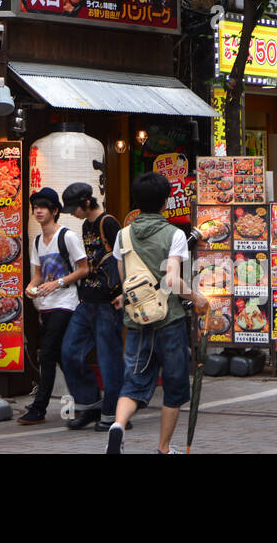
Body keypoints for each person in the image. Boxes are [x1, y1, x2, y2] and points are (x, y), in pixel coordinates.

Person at [105, 173, 206, 454]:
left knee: (134, 382)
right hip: (169, 321)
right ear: (165, 201)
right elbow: (171, 281)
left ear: (136, 202)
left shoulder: (122, 235)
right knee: (174, 386)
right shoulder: (173, 234)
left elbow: (126, 280)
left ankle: (117, 426)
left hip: (136, 321)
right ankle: (163, 448)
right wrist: (197, 297)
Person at [58, 181, 125, 431]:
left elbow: (122, 257)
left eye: (74, 207)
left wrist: (123, 292)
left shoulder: (109, 222)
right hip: (87, 301)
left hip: (109, 303)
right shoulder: (86, 225)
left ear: (87, 202)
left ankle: (113, 412)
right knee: (69, 352)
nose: (73, 213)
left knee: (110, 361)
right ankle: (90, 405)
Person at [19, 187, 88, 425]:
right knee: (61, 356)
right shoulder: (38, 241)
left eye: (43, 207)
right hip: (46, 305)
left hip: (67, 304)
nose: (38, 211)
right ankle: (85, 402)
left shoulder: (66, 236)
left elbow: (84, 269)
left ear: (55, 211)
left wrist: (58, 283)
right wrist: (30, 287)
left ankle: (39, 408)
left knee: (47, 355)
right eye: (35, 207)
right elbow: (39, 275)